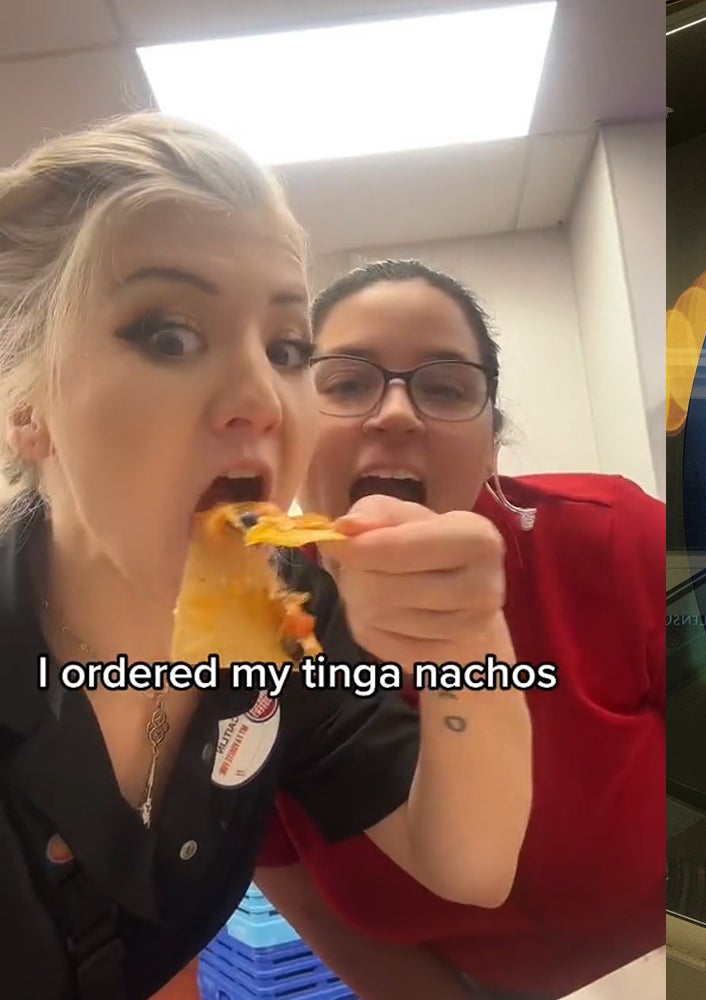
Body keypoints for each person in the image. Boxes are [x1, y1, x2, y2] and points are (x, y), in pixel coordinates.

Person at [0, 114, 534, 1000]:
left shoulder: (275, 619)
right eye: (169, 334)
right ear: (30, 405)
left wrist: (468, 651)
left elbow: (470, 864)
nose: (262, 398)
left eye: (287, 348)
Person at [253, 259, 667, 1000]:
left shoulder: (618, 539)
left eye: (445, 387)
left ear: (492, 444)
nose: (397, 414)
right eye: (346, 383)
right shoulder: (256, 629)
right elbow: (323, 915)